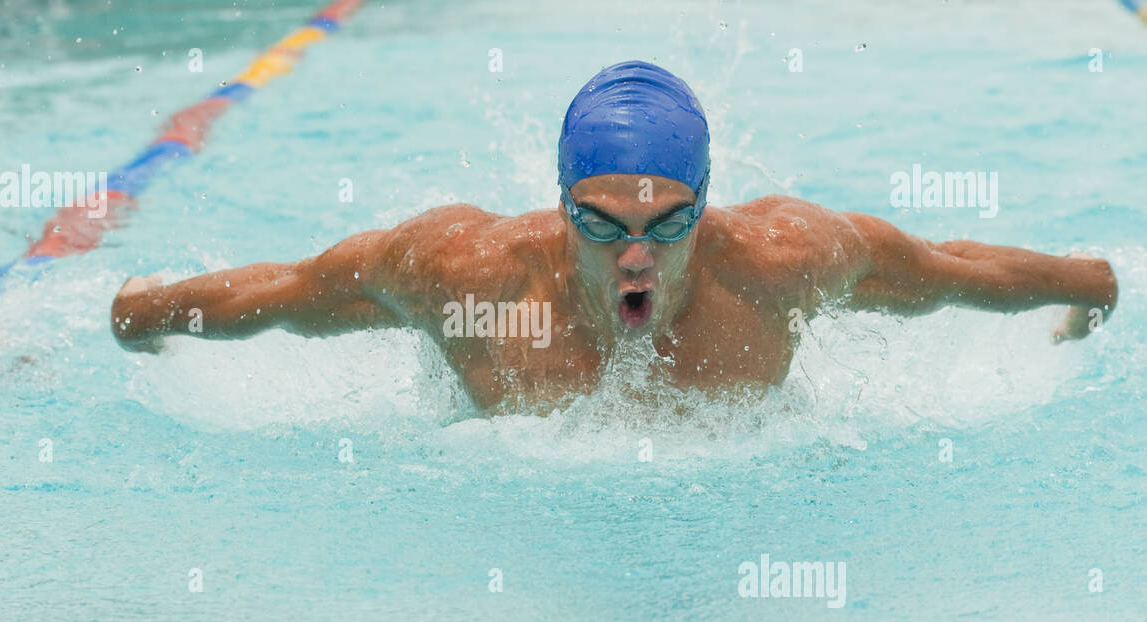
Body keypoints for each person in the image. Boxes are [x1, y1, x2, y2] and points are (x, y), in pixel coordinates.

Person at [110, 61, 1118, 412]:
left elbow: (946, 272)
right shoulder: (466, 276)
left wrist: (1092, 286)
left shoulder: (781, 261)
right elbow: (285, 292)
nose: (635, 256)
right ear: (558, 209)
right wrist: (134, 317)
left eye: (667, 224)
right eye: (601, 225)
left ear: (706, 206)